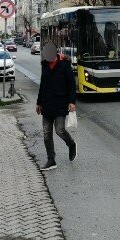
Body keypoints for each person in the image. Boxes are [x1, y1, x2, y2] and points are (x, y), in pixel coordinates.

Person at [36, 41, 77, 171]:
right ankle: (51, 160)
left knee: (60, 130)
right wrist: (39, 103)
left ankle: (71, 144)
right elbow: (42, 85)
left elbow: (71, 85)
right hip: (47, 104)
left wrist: (72, 102)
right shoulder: (45, 65)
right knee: (47, 133)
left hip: (60, 103)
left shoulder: (64, 65)